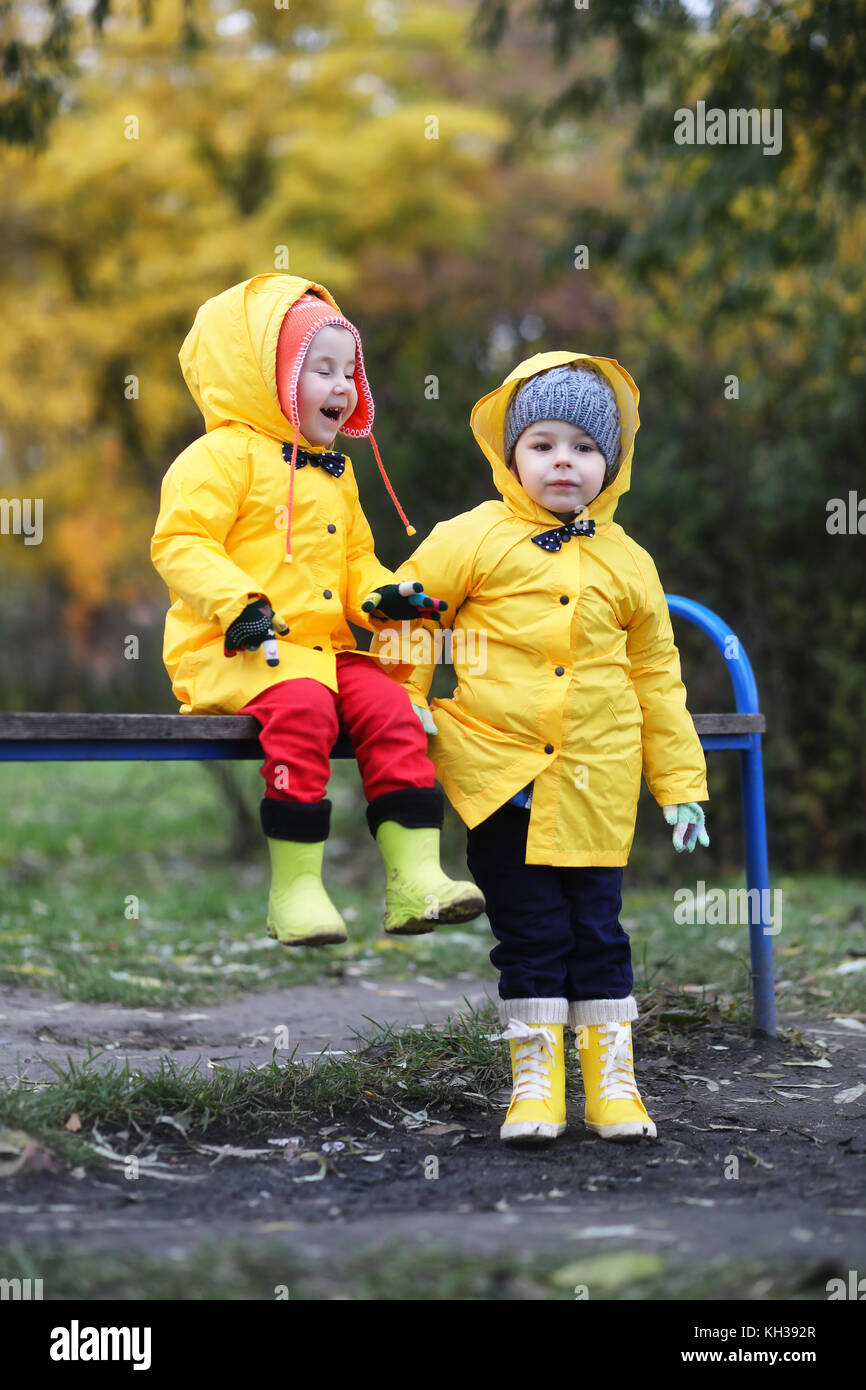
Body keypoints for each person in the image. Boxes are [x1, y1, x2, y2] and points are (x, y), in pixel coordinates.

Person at [371, 352, 710, 1143]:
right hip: (501, 774)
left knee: (598, 930)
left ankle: (612, 1083)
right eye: (545, 443)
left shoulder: (630, 562)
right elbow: (409, 612)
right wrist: (407, 699)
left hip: (598, 779)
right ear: (512, 453)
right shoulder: (471, 538)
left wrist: (680, 784)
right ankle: (535, 1085)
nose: (565, 460)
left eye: (586, 448)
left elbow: (658, 677)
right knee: (530, 932)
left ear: (611, 465)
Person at [150, 273, 484, 948]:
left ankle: (416, 876)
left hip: (326, 652)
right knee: (301, 707)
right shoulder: (217, 459)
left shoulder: (336, 470)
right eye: (320, 370)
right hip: (237, 647)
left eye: (349, 372)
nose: (343, 387)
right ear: (261, 378)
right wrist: (240, 605)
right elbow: (180, 544)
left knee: (393, 707)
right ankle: (296, 888)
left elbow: (353, 559)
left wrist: (380, 595)